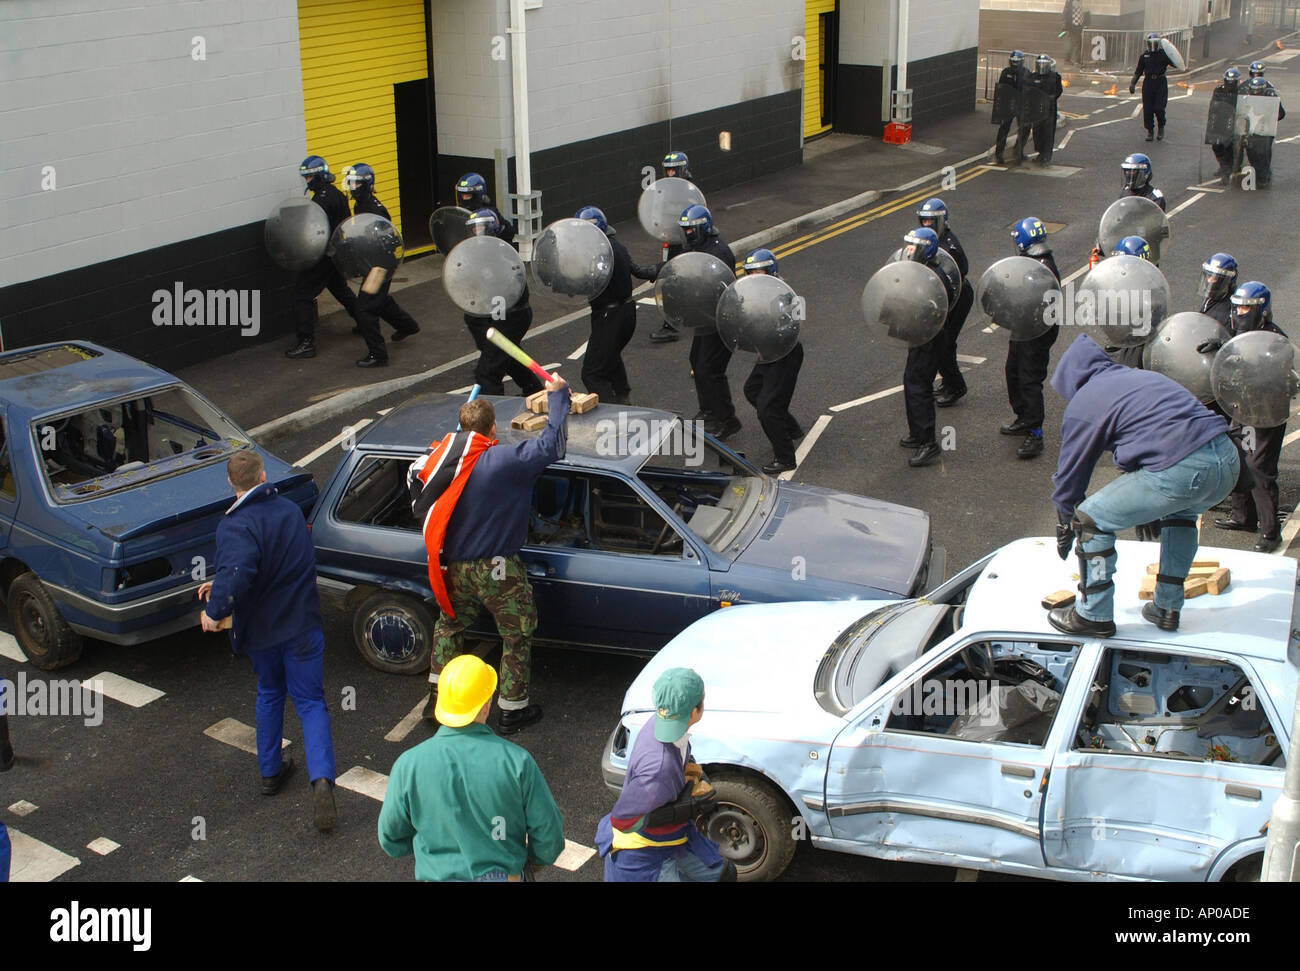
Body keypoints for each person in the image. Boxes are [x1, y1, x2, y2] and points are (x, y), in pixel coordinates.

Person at [1047, 335, 1239, 635]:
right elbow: (1155, 430)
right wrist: (1148, 510)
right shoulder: (1137, 378)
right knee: (1181, 516)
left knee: (1090, 520)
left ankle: (1093, 615)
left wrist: (1066, 521)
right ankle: (1167, 607)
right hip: (1226, 460)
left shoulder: (1085, 402)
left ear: (1071, 379)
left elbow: (1071, 477)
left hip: (1185, 469)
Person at [414, 376, 571, 734]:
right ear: (493, 429)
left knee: (450, 625)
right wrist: (558, 396)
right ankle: (512, 709)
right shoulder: (501, 460)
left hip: (454, 566)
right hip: (498, 569)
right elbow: (550, 446)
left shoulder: (443, 460)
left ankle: (437, 698)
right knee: (516, 633)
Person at [199, 450, 337, 832]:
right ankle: (322, 779)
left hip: (262, 633)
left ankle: (270, 772)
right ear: (262, 475)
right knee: (311, 702)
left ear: (232, 483)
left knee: (270, 692)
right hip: (301, 625)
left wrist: (214, 610)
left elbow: (239, 574)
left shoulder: (234, 526)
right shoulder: (290, 512)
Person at [378, 654, 565, 881]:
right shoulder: (517, 762)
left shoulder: (408, 765)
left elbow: (391, 839)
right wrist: (532, 862)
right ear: (486, 705)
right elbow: (549, 838)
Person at [595, 667, 735, 882]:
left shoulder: (664, 720)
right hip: (643, 855)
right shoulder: (658, 769)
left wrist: (689, 769)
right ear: (694, 712)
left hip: (674, 839)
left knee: (724, 874)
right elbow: (623, 821)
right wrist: (682, 808)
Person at [1201, 283, 1287, 552]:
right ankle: (1243, 515)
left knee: (1260, 470)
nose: (1239, 312)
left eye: (1246, 307)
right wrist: (1224, 347)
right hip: (1242, 409)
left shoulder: (1273, 340)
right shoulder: (1241, 336)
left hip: (1265, 414)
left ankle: (1271, 533)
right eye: (1237, 306)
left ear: (1261, 309)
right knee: (1237, 459)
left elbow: (1281, 376)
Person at [342, 163, 421, 368]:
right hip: (372, 264)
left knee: (364, 308)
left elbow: (388, 238)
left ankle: (378, 354)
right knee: (379, 301)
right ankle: (408, 325)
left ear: (367, 184)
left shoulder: (373, 208)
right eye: (351, 182)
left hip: (379, 266)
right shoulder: (361, 204)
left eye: (357, 182)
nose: (353, 186)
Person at [460, 209, 544, 398]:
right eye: (473, 228)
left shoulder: (502, 253)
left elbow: (505, 288)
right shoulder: (481, 253)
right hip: (496, 314)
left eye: (481, 228)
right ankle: (535, 391)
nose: (477, 232)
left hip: (511, 314)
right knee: (510, 356)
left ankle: (493, 414)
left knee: (488, 371)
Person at [576, 206, 655, 404]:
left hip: (609, 317)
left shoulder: (600, 254)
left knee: (592, 373)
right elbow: (638, 271)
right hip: (626, 312)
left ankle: (612, 413)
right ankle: (622, 396)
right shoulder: (616, 246)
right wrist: (660, 269)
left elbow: (584, 281)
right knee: (610, 357)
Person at [676, 205, 740, 439]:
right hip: (704, 319)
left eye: (691, 230)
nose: (687, 234)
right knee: (697, 362)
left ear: (703, 227)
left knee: (709, 370)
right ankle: (708, 410)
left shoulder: (717, 252)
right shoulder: (698, 249)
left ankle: (727, 419)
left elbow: (716, 286)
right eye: (685, 230)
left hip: (718, 320)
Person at [286, 156, 359, 360]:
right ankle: (365, 322)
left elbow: (316, 230)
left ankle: (306, 342)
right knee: (340, 290)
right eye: (305, 178)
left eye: (309, 177)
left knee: (302, 295)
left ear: (318, 175)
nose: (307, 182)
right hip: (336, 252)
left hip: (324, 254)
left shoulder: (320, 199)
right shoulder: (336, 194)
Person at [739, 249, 805, 474]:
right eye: (750, 272)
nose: (754, 276)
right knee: (752, 390)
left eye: (758, 271)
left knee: (767, 408)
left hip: (784, 354)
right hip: (766, 353)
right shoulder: (752, 295)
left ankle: (786, 457)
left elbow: (795, 323)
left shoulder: (786, 296)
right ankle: (791, 427)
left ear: (770, 270)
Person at [898, 228, 958, 468]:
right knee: (911, 382)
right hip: (920, 335)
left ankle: (928, 443)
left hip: (929, 337)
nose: (910, 251)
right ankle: (917, 433)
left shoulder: (933, 276)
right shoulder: (923, 271)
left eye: (915, 247)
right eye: (909, 246)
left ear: (927, 249)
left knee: (919, 387)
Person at [1001, 217, 1061, 459]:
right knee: (1012, 371)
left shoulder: (1041, 266)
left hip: (1037, 331)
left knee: (1029, 380)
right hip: (1023, 326)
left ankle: (1035, 434)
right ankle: (1023, 417)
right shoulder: (1033, 260)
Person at [918, 198, 972, 408]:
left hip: (957, 296)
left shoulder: (950, 246)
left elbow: (961, 271)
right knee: (939, 343)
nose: (926, 225)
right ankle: (948, 381)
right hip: (939, 295)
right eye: (923, 221)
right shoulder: (928, 240)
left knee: (945, 344)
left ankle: (956, 386)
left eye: (930, 222)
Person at [649, 151, 696, 343]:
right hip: (673, 239)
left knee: (669, 281)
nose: (669, 174)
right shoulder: (674, 189)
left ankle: (670, 326)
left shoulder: (688, 191)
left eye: (672, 170)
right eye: (667, 170)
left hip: (682, 241)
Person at [1130, 32, 1176, 142]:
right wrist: (1132, 84)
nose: (1152, 46)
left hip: (1160, 82)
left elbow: (1175, 63)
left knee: (1159, 107)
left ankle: (1161, 126)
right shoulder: (1144, 56)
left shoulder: (1163, 55)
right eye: (1150, 43)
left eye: (1154, 43)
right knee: (1148, 109)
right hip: (1148, 83)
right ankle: (1150, 130)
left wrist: (1173, 54)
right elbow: (1138, 72)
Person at [1242, 75, 1286, 187]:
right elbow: (1242, 111)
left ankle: (1263, 178)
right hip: (1252, 130)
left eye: (1258, 90)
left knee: (1263, 153)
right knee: (1252, 153)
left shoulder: (1271, 97)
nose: (1255, 92)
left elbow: (1281, 113)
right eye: (1254, 89)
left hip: (1266, 130)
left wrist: (1271, 118)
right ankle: (1256, 175)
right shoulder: (1248, 97)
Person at [995, 51, 1032, 165]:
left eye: (1017, 62)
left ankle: (1018, 151)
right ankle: (999, 154)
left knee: (1025, 128)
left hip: (1021, 104)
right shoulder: (1006, 73)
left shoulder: (1026, 73)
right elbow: (1001, 88)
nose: (1015, 64)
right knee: (1004, 129)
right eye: (1013, 61)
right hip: (1008, 104)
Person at [454, 172, 515, 243]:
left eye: (468, 195)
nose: (464, 198)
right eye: (462, 196)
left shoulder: (489, 212)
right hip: (462, 250)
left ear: (478, 194)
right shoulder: (455, 213)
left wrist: (498, 228)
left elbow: (509, 232)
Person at [1210, 68, 1243, 186]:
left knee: (1230, 147)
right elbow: (1213, 106)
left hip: (1236, 123)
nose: (1229, 85)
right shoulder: (1218, 90)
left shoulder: (1242, 92)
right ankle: (1223, 165)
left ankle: (1227, 171)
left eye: (1232, 82)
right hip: (1221, 122)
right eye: (1227, 81)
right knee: (1216, 146)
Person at [1031, 54, 1064, 166]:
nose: (1041, 67)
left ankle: (1047, 156)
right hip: (1036, 109)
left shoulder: (1055, 77)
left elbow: (1058, 91)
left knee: (1048, 132)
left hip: (1049, 109)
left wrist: (1051, 97)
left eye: (1043, 64)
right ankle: (1040, 153)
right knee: (1037, 132)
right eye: (1039, 64)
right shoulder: (1034, 76)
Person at [1196, 252, 1238, 327]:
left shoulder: (1226, 312)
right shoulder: (1213, 298)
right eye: (1209, 276)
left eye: (1215, 278)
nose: (1210, 281)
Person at [1062, 0, 1086, 66]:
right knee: (1076, 43)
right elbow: (1066, 14)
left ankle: (1068, 60)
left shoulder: (1080, 2)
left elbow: (1082, 13)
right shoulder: (1070, 2)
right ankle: (1075, 61)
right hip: (1073, 26)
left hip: (1078, 25)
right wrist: (1066, 27)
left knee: (1073, 43)